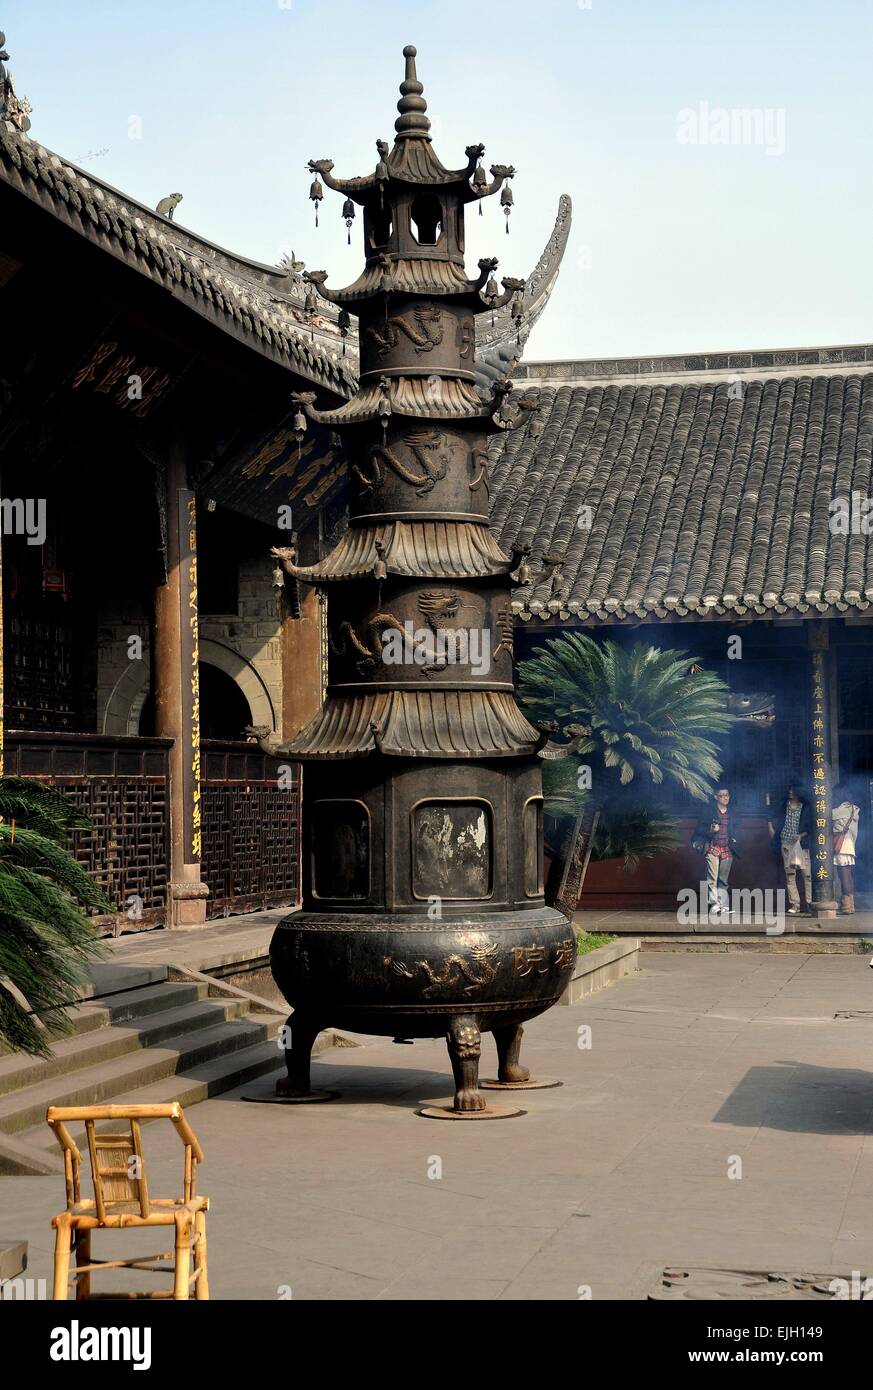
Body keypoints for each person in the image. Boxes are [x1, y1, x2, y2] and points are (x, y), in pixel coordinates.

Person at [693, 786, 740, 915]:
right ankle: (714, 905)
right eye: (722, 795)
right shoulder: (708, 811)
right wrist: (710, 829)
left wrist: (735, 838)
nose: (725, 797)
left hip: (727, 849)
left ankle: (723, 905)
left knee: (723, 879)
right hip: (713, 847)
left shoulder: (733, 812)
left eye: (727, 795)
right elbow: (698, 830)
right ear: (716, 797)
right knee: (712, 878)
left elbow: (737, 828)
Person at [768, 782, 812, 915]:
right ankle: (795, 904)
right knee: (790, 875)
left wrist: (801, 835)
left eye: (793, 791)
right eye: (790, 790)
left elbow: (810, 828)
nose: (790, 792)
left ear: (799, 792)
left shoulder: (805, 808)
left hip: (801, 845)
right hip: (786, 843)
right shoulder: (783, 806)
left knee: (807, 875)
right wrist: (770, 828)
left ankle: (809, 903)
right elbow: (769, 814)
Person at [832, 784, 860, 915]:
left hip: (841, 845)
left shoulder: (842, 809)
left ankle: (847, 907)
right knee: (848, 876)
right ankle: (850, 905)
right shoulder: (854, 809)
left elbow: (827, 816)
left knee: (844, 876)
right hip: (848, 844)